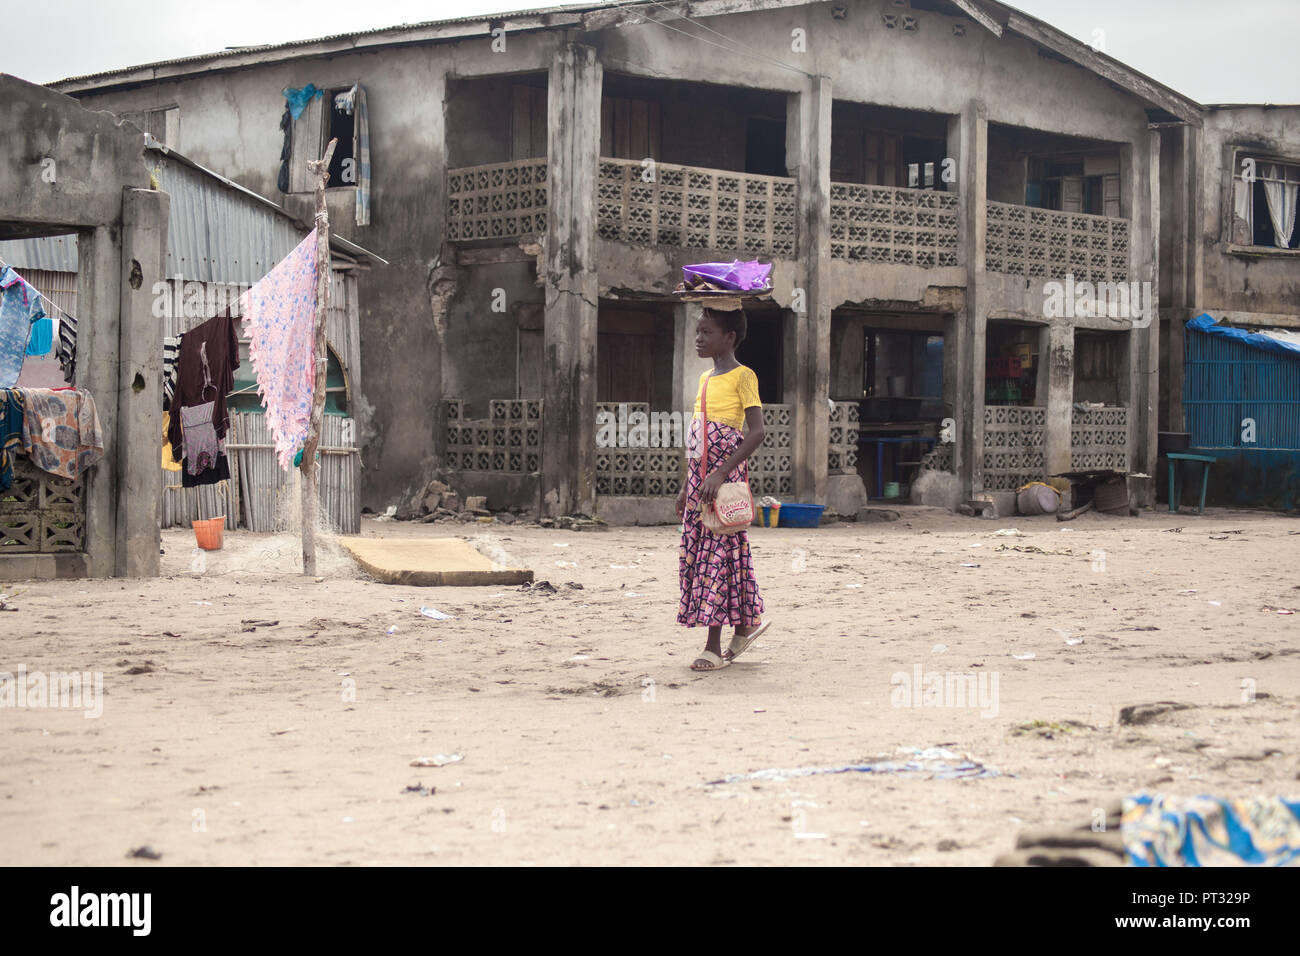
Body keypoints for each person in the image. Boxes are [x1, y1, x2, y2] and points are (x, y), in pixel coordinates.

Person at [676, 307, 770, 672]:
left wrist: (719, 473)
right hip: (701, 483)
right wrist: (689, 483)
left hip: (723, 483)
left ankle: (713, 647)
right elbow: (700, 437)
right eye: (697, 331)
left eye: (707, 332)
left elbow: (757, 432)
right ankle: (746, 622)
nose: (698, 338)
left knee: (719, 556)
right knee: (712, 558)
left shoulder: (744, 376)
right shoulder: (704, 378)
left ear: (729, 337)